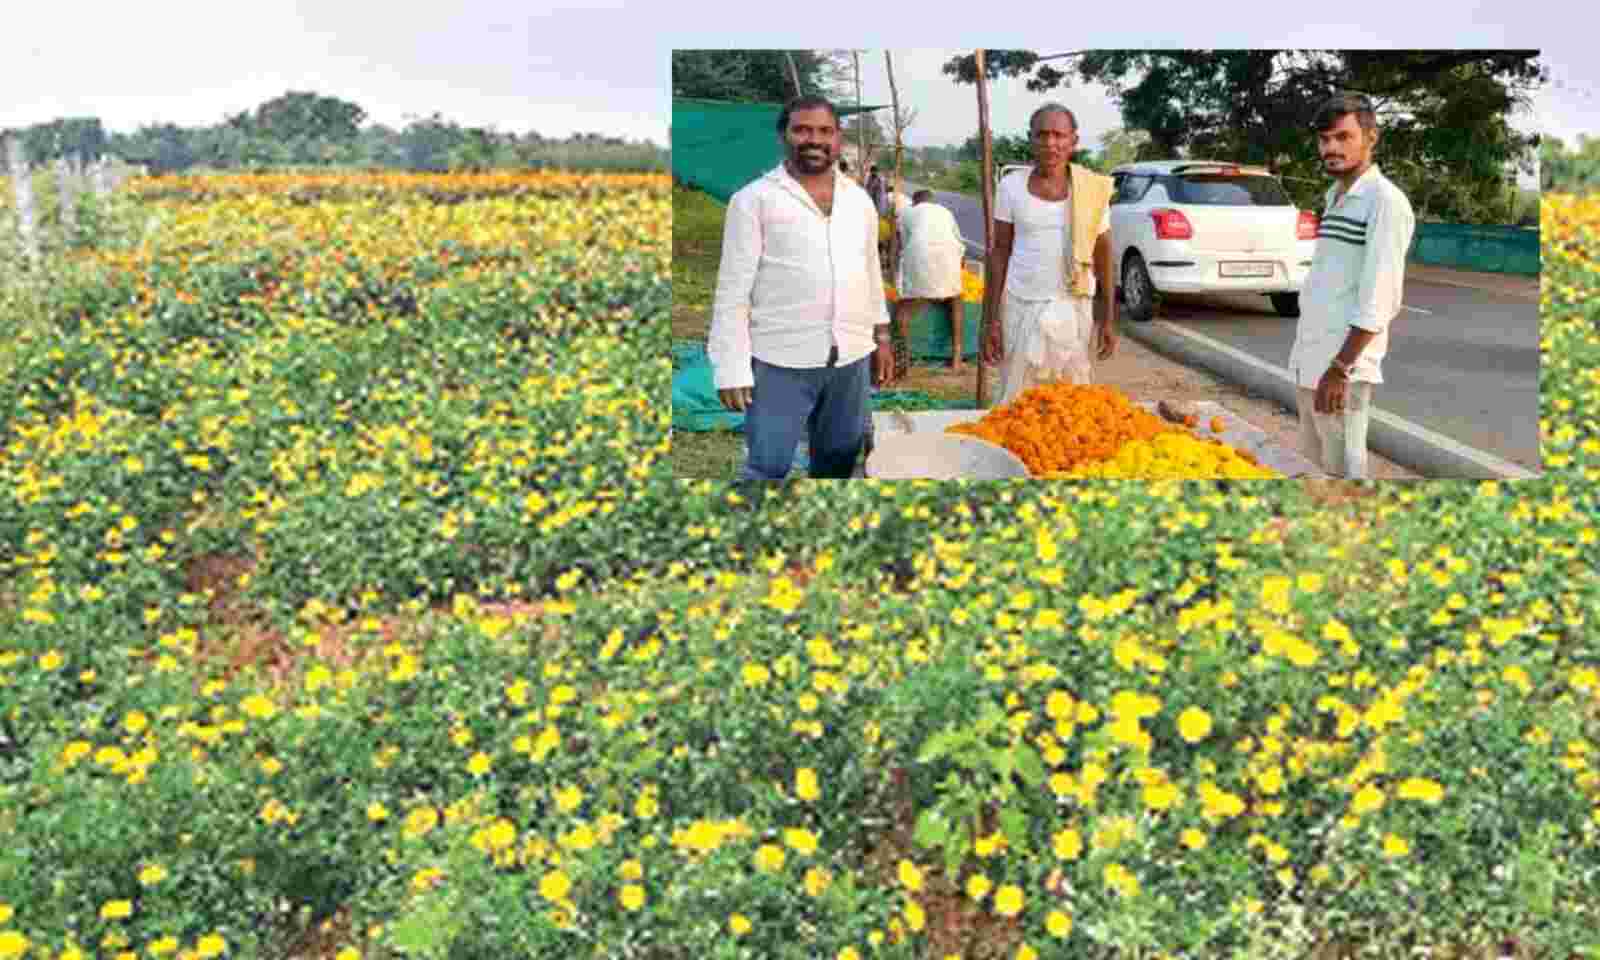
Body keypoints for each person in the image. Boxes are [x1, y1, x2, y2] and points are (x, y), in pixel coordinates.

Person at [707, 95, 895, 481]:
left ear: (838, 138)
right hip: (780, 359)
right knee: (768, 465)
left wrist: (881, 336)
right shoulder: (754, 200)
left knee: (838, 461)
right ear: (784, 136)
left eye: (825, 131)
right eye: (802, 130)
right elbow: (732, 292)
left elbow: (870, 271)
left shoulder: (859, 201)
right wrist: (731, 368)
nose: (815, 140)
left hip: (851, 358)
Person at [1287, 91, 1415, 480]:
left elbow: (1380, 296)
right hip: (1312, 361)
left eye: (1344, 137)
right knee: (1312, 470)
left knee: (1344, 472)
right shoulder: (1336, 196)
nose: (1331, 148)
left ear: (1371, 138)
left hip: (1342, 370)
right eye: (1325, 139)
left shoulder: (1385, 202)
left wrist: (1340, 368)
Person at [980, 103, 1117, 406]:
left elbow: (1104, 253)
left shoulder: (1091, 190)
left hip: (1073, 306)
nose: (1050, 143)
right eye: (1042, 135)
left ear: (1073, 141)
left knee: (1069, 403)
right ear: (1030, 139)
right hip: (1021, 305)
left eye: (1058, 135)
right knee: (1019, 401)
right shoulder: (1011, 186)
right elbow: (999, 253)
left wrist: (1108, 319)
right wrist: (990, 322)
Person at [894, 190, 968, 370]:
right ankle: (957, 357)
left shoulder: (906, 213)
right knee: (956, 299)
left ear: (915, 202)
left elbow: (903, 246)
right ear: (933, 202)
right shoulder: (946, 212)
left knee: (905, 308)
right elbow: (959, 241)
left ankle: (904, 358)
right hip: (949, 256)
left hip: (920, 257)